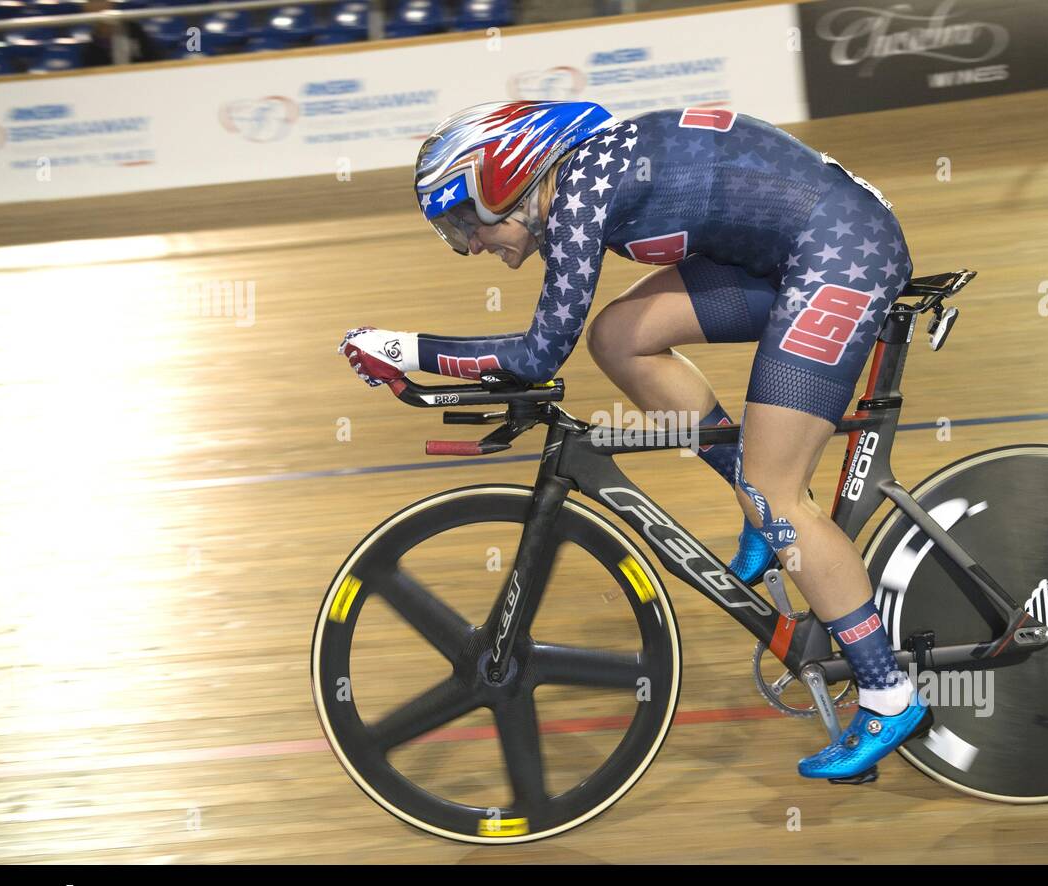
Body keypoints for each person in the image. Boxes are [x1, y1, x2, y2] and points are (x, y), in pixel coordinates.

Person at [339, 100, 924, 780]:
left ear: (505, 177)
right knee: (620, 338)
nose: (469, 245)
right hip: (797, 250)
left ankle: (888, 694)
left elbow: (536, 354)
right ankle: (755, 503)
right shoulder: (581, 177)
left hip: (842, 255)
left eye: (465, 222)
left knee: (778, 492)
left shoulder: (582, 192)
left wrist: (402, 347)